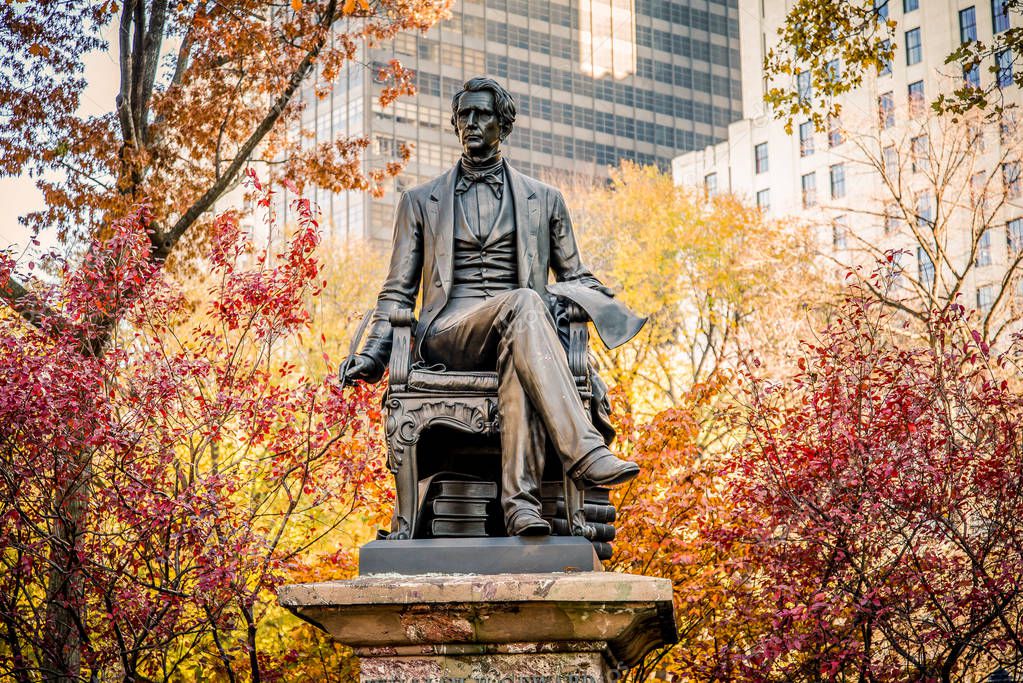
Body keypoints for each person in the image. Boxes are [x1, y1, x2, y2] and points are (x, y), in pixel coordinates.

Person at [342, 77, 638, 536]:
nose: (471, 123)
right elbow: (397, 292)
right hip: (447, 334)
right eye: (464, 116)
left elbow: (575, 274)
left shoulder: (547, 200)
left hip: (521, 334)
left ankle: (520, 506)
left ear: (505, 123)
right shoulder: (419, 202)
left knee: (524, 340)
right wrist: (374, 354)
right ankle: (584, 450)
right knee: (525, 304)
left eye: (482, 115)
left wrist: (605, 303)